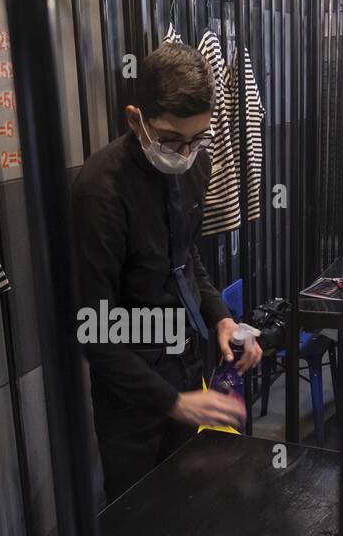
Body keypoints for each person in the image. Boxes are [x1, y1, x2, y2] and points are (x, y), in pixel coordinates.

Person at [73, 43, 262, 502]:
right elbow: (91, 330)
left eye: (198, 139)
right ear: (135, 117)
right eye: (172, 139)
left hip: (185, 358)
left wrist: (220, 316)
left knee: (192, 505)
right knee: (138, 518)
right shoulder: (100, 193)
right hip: (129, 385)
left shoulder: (197, 163)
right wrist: (171, 401)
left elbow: (186, 256)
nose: (184, 152)